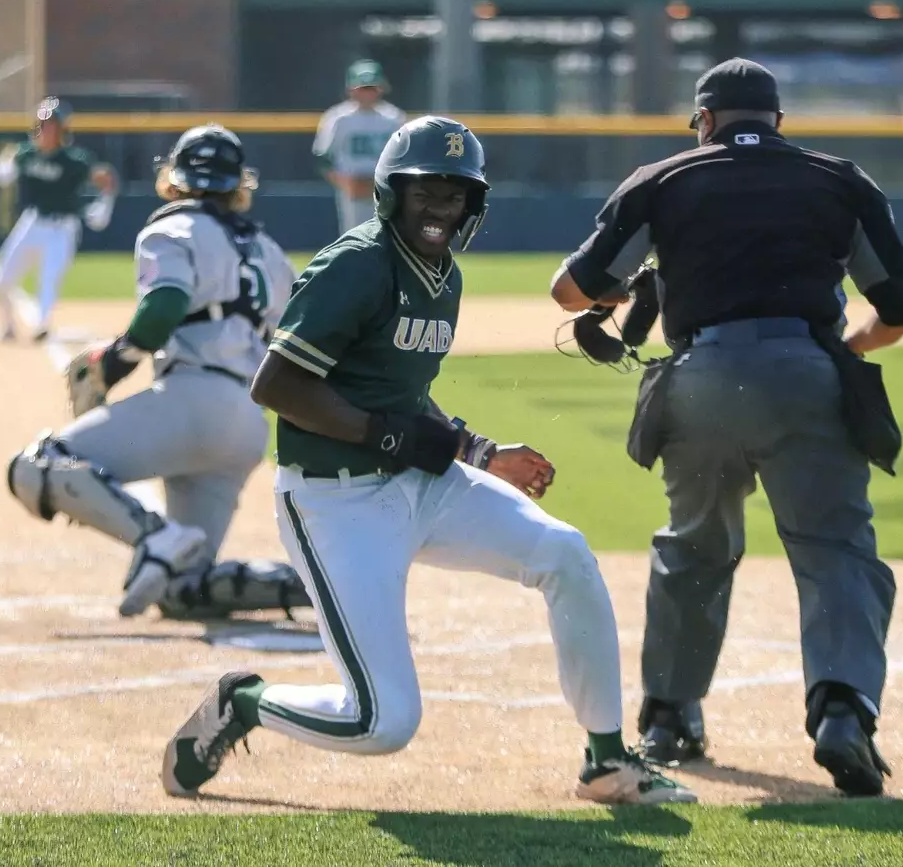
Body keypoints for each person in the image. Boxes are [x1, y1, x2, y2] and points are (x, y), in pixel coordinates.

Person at [160, 115, 696, 807]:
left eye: (455, 195)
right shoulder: (357, 261)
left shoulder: (444, 274)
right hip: (336, 499)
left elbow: (405, 395)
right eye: (425, 193)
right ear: (391, 194)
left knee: (565, 554)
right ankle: (246, 702)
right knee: (380, 722)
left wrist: (478, 452)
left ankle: (606, 762)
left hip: (419, 481)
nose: (440, 208)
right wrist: (388, 437)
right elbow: (278, 385)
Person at [549, 58, 903, 797]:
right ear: (778, 121)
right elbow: (902, 305)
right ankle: (843, 712)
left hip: (702, 378)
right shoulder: (838, 178)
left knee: (694, 547)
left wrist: (635, 282)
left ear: (706, 120)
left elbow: (571, 292)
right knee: (836, 549)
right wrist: (848, 349)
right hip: (809, 373)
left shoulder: (662, 180)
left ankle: (667, 716)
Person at [5, 124, 314, 622]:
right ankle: (304, 584)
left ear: (174, 176)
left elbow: (164, 306)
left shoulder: (170, 228)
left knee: (35, 467)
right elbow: (301, 342)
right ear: (240, 184)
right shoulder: (270, 251)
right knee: (181, 589)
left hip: (192, 398)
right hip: (249, 423)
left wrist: (110, 364)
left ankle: (157, 535)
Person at [0, 96, 118, 342]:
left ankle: (42, 326)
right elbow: (2, 176)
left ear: (61, 129)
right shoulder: (25, 154)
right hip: (33, 221)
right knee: (2, 279)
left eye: (50, 125)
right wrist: (7, 158)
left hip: (63, 227)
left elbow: (104, 179)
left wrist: (106, 199)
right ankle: (8, 328)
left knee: (49, 278)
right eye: (41, 124)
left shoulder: (75, 160)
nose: (45, 130)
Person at [312, 59, 406, 236]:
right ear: (351, 89)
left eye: (371, 88)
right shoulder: (338, 118)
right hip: (352, 186)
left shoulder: (393, 118)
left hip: (385, 187)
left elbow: (405, 157)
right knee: (354, 238)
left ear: (381, 88)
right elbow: (322, 158)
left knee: (388, 238)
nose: (367, 94)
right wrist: (344, 184)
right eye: (363, 88)